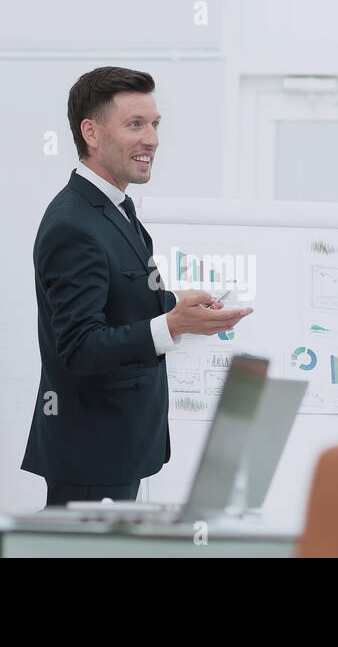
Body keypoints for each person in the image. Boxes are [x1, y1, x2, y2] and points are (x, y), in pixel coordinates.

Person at [23, 67, 253, 507]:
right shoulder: (74, 224)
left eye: (155, 124)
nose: (152, 139)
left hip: (117, 448)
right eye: (135, 125)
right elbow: (80, 347)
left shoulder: (112, 208)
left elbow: (115, 298)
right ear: (90, 132)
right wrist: (170, 325)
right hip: (91, 456)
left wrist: (173, 302)